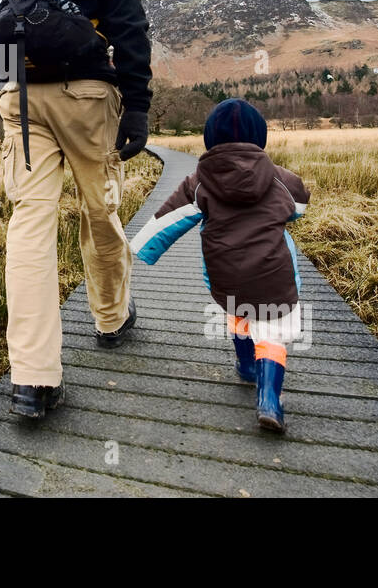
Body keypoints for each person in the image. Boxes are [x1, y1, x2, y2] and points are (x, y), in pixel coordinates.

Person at [0, 0, 152, 420]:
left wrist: (3, 101)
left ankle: (32, 379)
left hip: (22, 101)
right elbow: (130, 30)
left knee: (29, 225)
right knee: (99, 209)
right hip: (86, 99)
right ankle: (110, 319)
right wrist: (138, 109)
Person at [129, 99, 310, 433]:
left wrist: (140, 249)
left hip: (226, 276)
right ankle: (269, 400)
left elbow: (168, 220)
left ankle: (244, 364)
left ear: (209, 139)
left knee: (238, 312)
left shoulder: (199, 181)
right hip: (274, 276)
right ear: (261, 138)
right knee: (271, 334)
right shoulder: (280, 179)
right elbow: (299, 206)